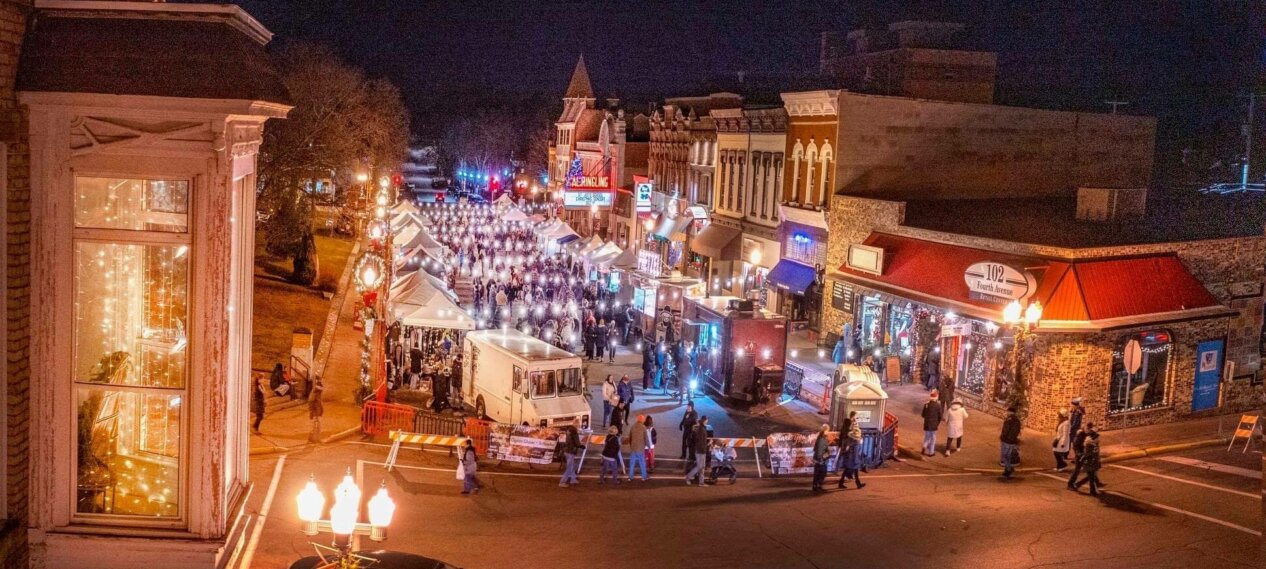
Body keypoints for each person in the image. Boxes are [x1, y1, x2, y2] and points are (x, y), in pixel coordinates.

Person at [1071, 431, 1103, 496]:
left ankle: (1079, 484)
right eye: (1096, 437)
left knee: (1091, 477)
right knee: (1091, 477)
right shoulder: (1090, 445)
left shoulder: (1094, 444)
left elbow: (1096, 454)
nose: (1098, 438)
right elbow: (1086, 454)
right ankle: (1090, 490)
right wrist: (1081, 459)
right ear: (1093, 438)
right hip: (1090, 463)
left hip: (1092, 463)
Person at [837, 421, 866, 489]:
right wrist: (857, 461)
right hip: (853, 459)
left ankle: (843, 483)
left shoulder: (851, 440)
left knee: (849, 470)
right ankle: (857, 484)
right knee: (853, 471)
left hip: (850, 458)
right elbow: (855, 452)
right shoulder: (855, 442)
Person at [1066, 422, 1095, 488]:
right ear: (1085, 427)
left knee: (1090, 470)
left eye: (1090, 428)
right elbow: (1075, 446)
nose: (1089, 430)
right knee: (1077, 470)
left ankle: (1093, 483)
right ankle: (1070, 484)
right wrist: (1079, 453)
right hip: (1080, 456)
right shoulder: (1080, 435)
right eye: (1088, 428)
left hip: (1086, 455)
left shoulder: (1088, 434)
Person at [685, 416, 710, 485]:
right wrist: (708, 444)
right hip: (700, 451)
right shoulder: (702, 429)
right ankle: (688, 477)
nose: (707, 422)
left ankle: (701, 482)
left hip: (700, 450)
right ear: (704, 421)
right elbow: (701, 442)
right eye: (706, 421)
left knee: (702, 467)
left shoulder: (701, 428)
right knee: (700, 467)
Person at [999, 406, 1022, 478]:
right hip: (1012, 441)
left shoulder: (1009, 420)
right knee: (1008, 456)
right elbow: (1017, 431)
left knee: (1005, 456)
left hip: (1007, 441)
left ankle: (1008, 469)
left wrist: (1003, 438)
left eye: (1008, 411)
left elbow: (1005, 430)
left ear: (1010, 412)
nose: (1007, 412)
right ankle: (1008, 468)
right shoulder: (1017, 420)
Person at [625, 415, 650, 481]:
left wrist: (631, 445)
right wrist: (649, 447)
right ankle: (644, 477)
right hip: (640, 449)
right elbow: (646, 439)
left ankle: (630, 477)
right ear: (642, 420)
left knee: (632, 463)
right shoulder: (643, 427)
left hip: (633, 448)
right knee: (642, 463)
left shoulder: (633, 426)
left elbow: (630, 437)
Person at [921, 390, 943, 457]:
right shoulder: (938, 405)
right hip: (933, 425)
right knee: (933, 438)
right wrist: (937, 423)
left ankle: (924, 446)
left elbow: (923, 415)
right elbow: (940, 416)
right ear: (936, 397)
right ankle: (931, 452)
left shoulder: (926, 404)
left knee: (927, 436)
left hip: (927, 424)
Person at [811, 423, 831, 492]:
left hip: (819, 459)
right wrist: (823, 457)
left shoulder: (820, 438)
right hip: (821, 460)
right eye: (828, 430)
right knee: (822, 473)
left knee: (817, 473)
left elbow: (816, 449)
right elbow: (819, 450)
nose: (828, 432)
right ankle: (818, 486)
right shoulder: (822, 439)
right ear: (825, 430)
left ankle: (815, 486)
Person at [308, 378, 325, 443]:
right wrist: (312, 412)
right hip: (315, 412)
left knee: (317, 425)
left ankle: (316, 438)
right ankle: (314, 438)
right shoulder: (315, 393)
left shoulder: (317, 393)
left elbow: (318, 403)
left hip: (317, 411)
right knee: (316, 425)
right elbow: (311, 402)